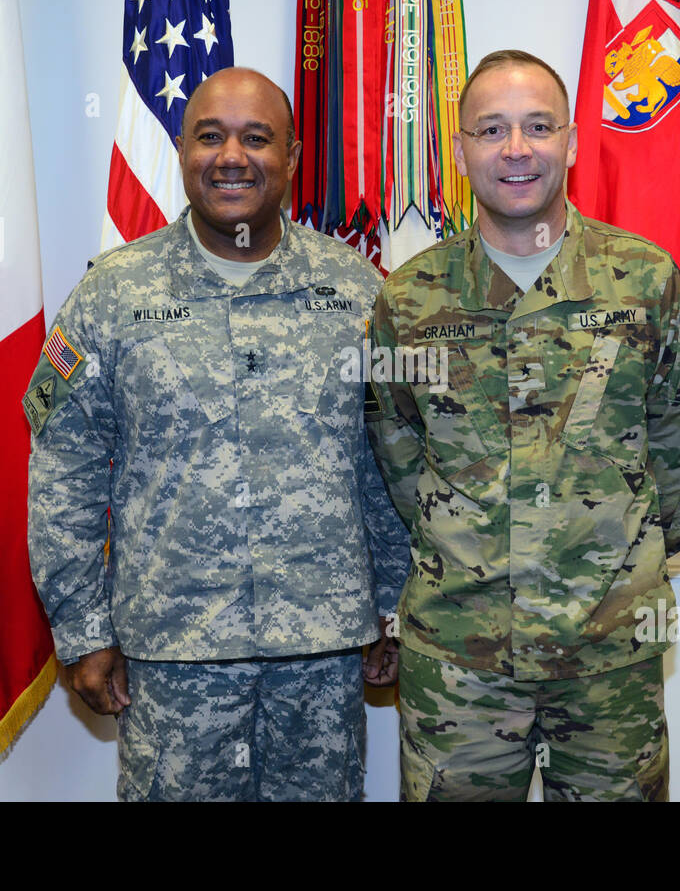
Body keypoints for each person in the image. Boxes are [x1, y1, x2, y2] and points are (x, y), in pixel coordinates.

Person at [23, 67, 407, 801]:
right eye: (210, 136)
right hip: (173, 658)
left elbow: (383, 464)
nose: (232, 155)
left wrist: (391, 606)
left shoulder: (355, 290)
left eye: (257, 138)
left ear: (292, 158)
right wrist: (82, 627)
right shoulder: (113, 294)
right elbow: (65, 470)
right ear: (181, 151)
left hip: (319, 656)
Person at [364, 49, 680, 801]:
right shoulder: (411, 299)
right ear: (459, 151)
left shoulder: (646, 281)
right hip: (459, 659)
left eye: (537, 126)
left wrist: (620, 559)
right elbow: (396, 453)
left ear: (572, 141)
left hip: (611, 655)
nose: (517, 148)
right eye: (491, 129)